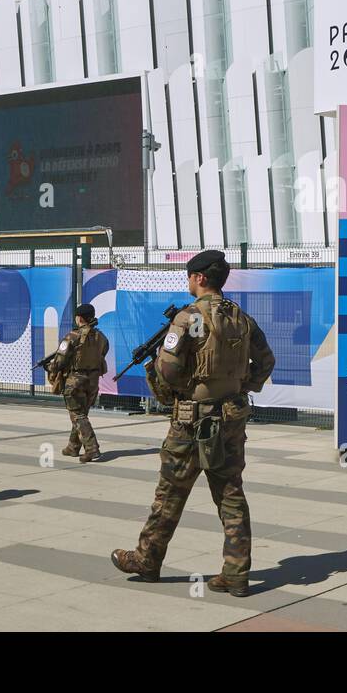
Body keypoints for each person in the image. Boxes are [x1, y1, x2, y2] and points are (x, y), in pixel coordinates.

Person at [111, 249, 275, 596]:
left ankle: (147, 559)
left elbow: (168, 369)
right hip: (230, 419)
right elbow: (266, 360)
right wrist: (241, 387)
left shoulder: (188, 318)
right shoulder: (242, 319)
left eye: (189, 276)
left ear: (199, 278)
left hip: (190, 422)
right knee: (231, 495)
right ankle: (235, 573)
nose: (188, 281)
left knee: (170, 493)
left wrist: (182, 389)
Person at [46, 303, 109, 463]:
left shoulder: (72, 336)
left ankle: (92, 449)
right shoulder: (101, 337)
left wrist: (49, 367)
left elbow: (59, 361)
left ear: (79, 318)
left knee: (78, 415)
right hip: (93, 381)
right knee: (81, 414)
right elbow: (103, 352)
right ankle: (73, 447)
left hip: (76, 381)